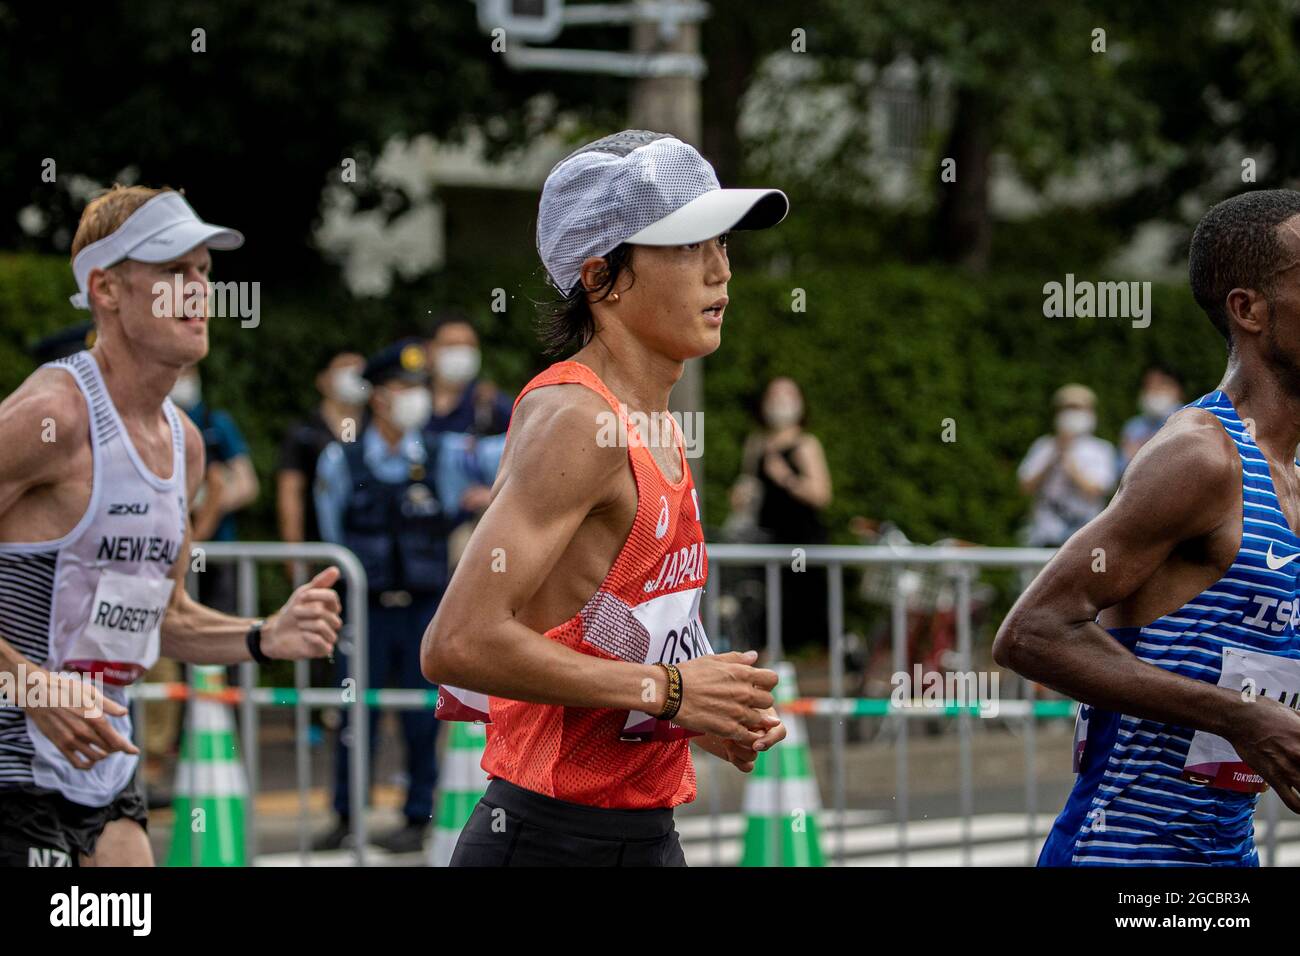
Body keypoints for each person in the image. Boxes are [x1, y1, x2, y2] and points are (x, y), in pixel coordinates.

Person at [424, 129, 791, 867]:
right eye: (688, 246)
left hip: (642, 832)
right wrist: (671, 691)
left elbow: (605, 622)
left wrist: (695, 712)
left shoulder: (651, 417)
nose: (721, 270)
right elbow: (457, 643)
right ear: (601, 278)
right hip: (547, 839)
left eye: (722, 244)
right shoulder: (578, 421)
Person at [0, 185, 342, 867]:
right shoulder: (54, 418)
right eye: (170, 272)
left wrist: (263, 636)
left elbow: (167, 616)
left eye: (203, 273)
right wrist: (26, 680)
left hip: (103, 768)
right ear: (106, 290)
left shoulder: (184, 446)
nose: (196, 291)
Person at [995, 189, 1300, 866]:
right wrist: (1240, 718)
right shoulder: (1202, 456)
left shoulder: (1292, 479)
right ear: (1248, 310)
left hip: (1226, 854)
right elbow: (1031, 634)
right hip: (1123, 853)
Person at [313, 340, 452, 854]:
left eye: (421, 387)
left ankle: (419, 816)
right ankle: (347, 815)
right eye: (404, 388)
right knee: (354, 715)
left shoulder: (442, 456)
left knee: (422, 715)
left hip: (424, 610)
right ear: (378, 398)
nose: (415, 398)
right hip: (364, 610)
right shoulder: (341, 460)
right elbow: (332, 539)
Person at [727, 376, 833, 649]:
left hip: (801, 543)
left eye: (788, 396)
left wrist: (786, 477)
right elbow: (748, 485)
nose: (780, 403)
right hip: (764, 541)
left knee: (804, 614)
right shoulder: (757, 443)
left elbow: (821, 495)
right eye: (774, 396)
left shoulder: (806, 444)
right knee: (763, 613)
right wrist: (740, 497)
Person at [169, 365, 259, 612]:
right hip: (171, 551)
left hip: (217, 552)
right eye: (178, 372)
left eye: (189, 373)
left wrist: (208, 503)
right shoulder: (157, 422)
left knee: (218, 619)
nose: (183, 380)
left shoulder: (216, 423)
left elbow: (246, 484)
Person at [1017, 384, 1118, 548]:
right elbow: (1025, 487)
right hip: (1044, 536)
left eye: (1078, 408)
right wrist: (1052, 459)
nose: (1072, 414)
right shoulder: (1043, 446)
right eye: (1068, 408)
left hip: (1085, 536)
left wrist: (1071, 466)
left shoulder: (1101, 449)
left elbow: (1098, 490)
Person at [425, 314, 512, 437]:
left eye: (469, 345)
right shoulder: (410, 399)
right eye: (452, 344)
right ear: (430, 349)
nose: (462, 352)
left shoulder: (492, 405)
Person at [1118, 365, 1185, 471]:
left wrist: (1140, 452)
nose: (1154, 391)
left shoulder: (1189, 420)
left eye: (1161, 385)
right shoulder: (1133, 426)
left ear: (1177, 390)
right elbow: (1122, 467)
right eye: (1149, 386)